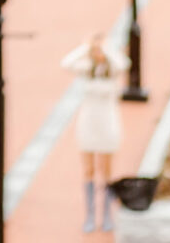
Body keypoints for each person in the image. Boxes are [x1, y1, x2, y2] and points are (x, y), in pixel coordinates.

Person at [61, 33, 129, 233]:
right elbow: (65, 63)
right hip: (88, 122)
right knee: (89, 170)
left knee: (106, 171)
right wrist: (85, 48)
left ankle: (107, 214)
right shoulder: (86, 69)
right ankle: (90, 214)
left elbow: (123, 63)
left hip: (107, 122)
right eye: (96, 50)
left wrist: (107, 47)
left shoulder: (113, 69)